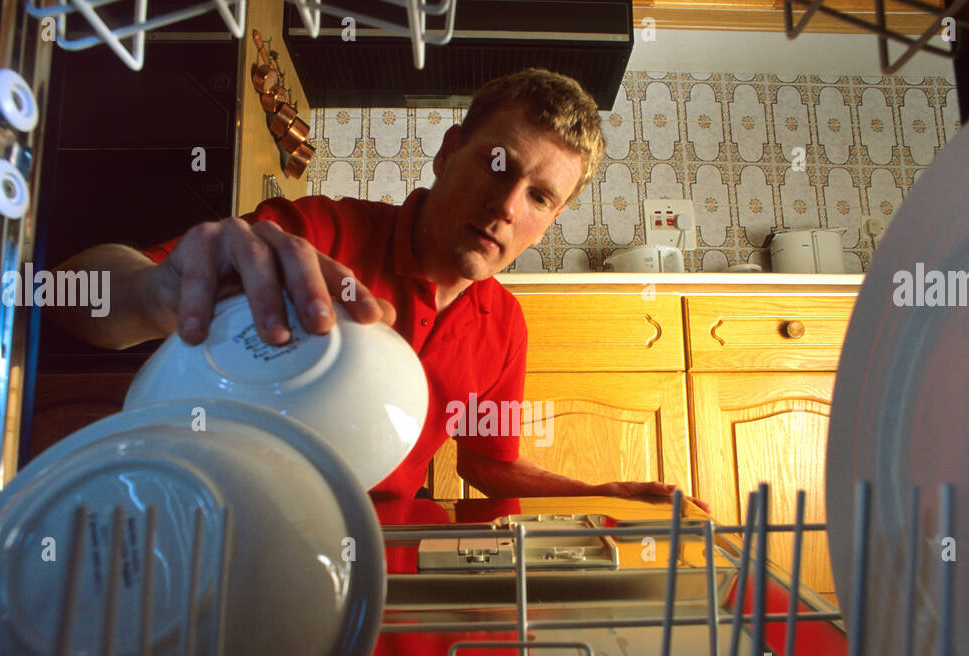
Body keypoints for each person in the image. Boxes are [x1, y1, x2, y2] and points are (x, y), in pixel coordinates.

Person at [51, 68, 707, 510]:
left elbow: (487, 464)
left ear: (550, 222)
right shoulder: (318, 233)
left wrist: (601, 495)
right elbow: (76, 297)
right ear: (449, 152)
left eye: (540, 196)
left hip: (377, 553)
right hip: (229, 516)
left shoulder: (504, 325)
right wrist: (154, 293)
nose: (508, 205)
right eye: (497, 164)